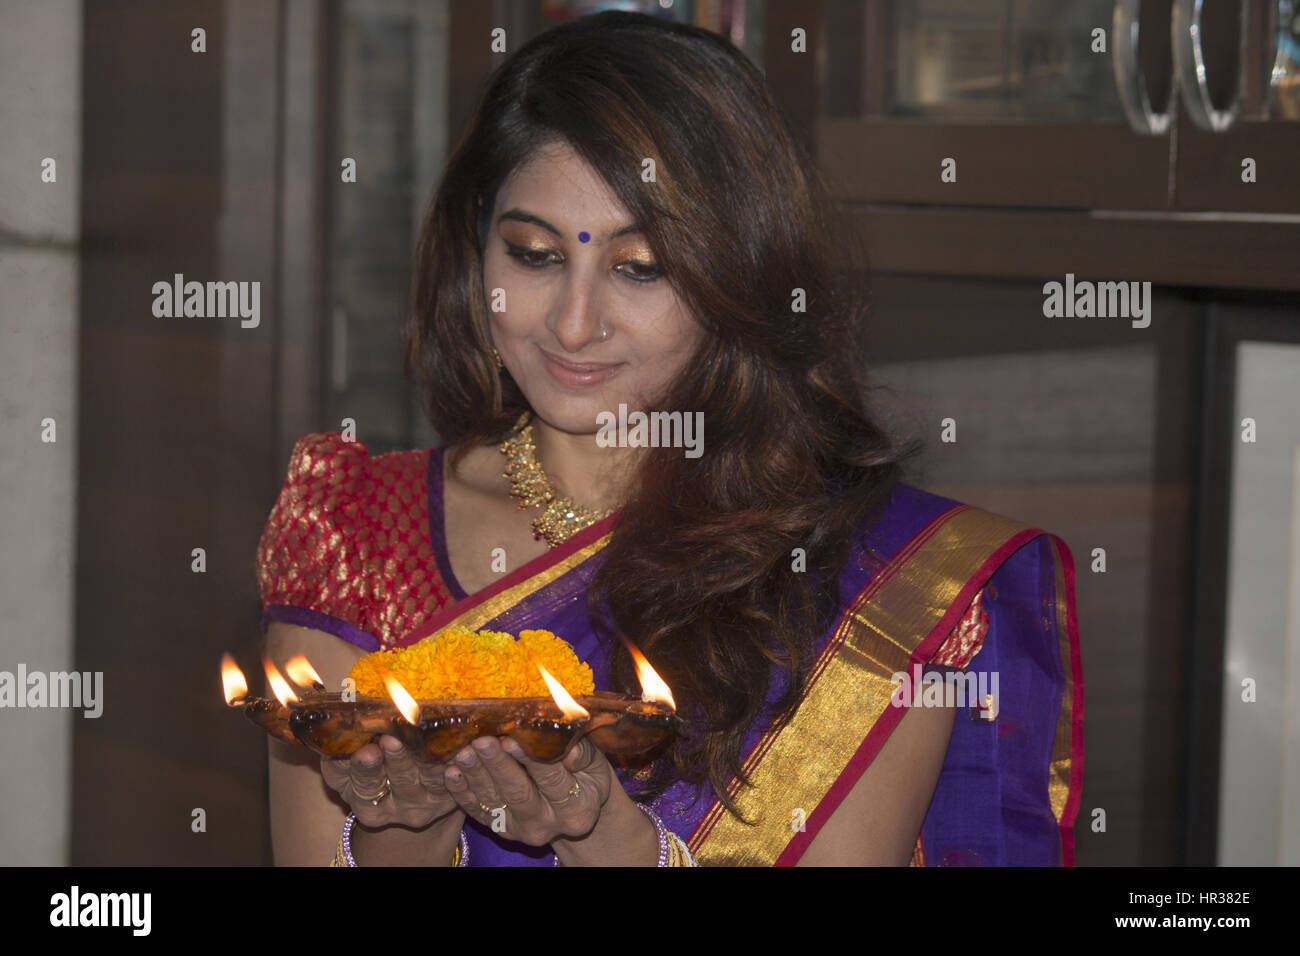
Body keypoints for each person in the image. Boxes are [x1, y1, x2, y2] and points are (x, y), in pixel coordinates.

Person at [256, 10, 1083, 866]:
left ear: (741, 272)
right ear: (477, 256)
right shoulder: (358, 538)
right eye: (534, 255)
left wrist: (608, 840)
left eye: (640, 268)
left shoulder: (871, 573)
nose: (574, 325)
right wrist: (406, 821)